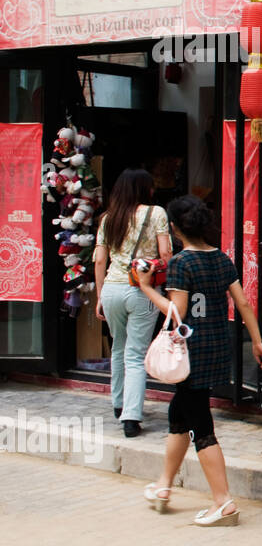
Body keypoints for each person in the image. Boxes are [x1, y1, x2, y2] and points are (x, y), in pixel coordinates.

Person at [135, 196, 262, 526]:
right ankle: (164, 485)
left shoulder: (182, 263)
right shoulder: (223, 259)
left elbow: (175, 312)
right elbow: (244, 305)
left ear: (177, 229)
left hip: (188, 351)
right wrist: (257, 340)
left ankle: (223, 502)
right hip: (216, 347)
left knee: (202, 427)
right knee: (179, 413)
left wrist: (145, 286)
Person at [94, 168, 172, 437]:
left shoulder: (107, 219)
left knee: (118, 347)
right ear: (144, 189)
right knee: (136, 353)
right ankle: (131, 417)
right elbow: (164, 252)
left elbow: (100, 261)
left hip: (112, 289)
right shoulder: (156, 213)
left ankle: (118, 404)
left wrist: (99, 296)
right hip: (143, 289)